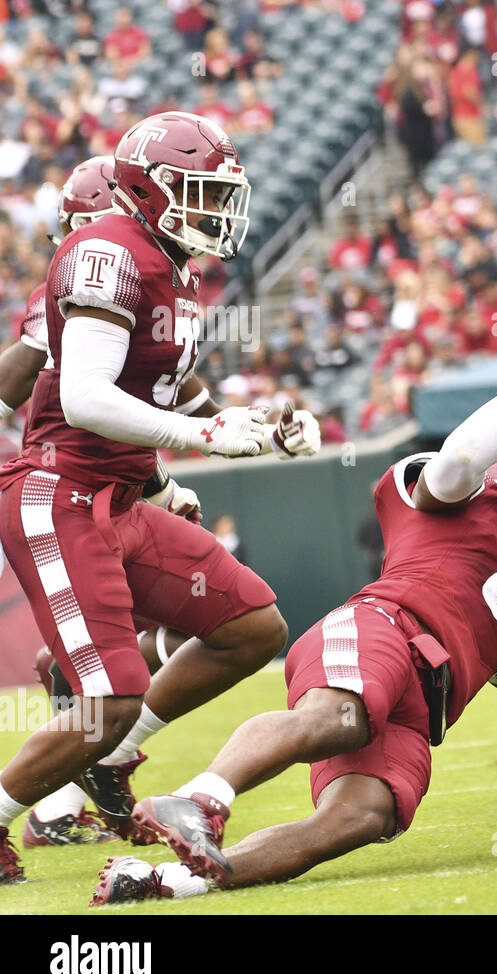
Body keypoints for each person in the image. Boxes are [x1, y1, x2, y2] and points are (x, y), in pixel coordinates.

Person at [93, 366, 497, 902]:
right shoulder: (463, 499)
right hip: (378, 630)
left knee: (363, 817)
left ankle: (161, 883)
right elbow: (465, 456)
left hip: (417, 708)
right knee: (344, 716)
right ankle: (200, 798)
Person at [0, 113, 322, 885]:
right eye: (201, 192)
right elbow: (82, 397)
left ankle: (107, 758)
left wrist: (258, 426)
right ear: (149, 188)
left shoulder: (166, 263)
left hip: (116, 497)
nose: (217, 209)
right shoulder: (109, 251)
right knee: (107, 694)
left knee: (250, 626)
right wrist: (205, 436)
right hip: (61, 492)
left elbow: (169, 388)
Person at [0, 158, 201, 850]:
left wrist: (166, 480)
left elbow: (149, 405)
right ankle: (61, 795)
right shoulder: (90, 279)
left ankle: (71, 789)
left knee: (100, 667)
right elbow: (27, 390)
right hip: (56, 487)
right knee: (102, 679)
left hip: (106, 491)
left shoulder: (154, 277)